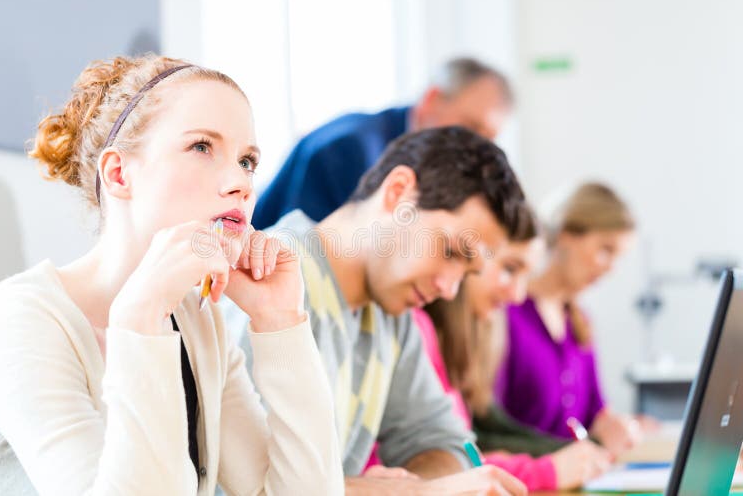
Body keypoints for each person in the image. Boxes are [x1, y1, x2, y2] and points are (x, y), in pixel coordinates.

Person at [0, 55, 343, 495]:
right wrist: (141, 316)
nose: (241, 183)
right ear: (118, 174)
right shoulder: (17, 321)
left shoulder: (197, 322)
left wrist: (280, 320)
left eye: (247, 161)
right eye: (202, 147)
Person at [226, 126, 529, 494]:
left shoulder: (392, 314)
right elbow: (245, 484)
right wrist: (406, 492)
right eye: (450, 251)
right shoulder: (266, 275)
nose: (448, 290)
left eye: (465, 275)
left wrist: (413, 485)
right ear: (398, 192)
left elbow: (447, 442)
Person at [420, 205, 613, 491]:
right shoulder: (422, 334)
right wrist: (549, 467)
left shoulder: (470, 339)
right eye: (509, 269)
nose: (518, 295)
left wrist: (578, 452)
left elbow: (479, 430)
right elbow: (456, 458)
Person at [252, 57, 514, 228]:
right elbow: (304, 256)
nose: (473, 147)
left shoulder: (423, 163)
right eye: (469, 128)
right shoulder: (351, 150)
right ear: (432, 99)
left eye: (485, 140)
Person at [495, 182, 641, 457]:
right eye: (605, 250)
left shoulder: (580, 323)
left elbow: (595, 414)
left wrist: (617, 427)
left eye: (616, 257)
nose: (610, 268)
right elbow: (491, 427)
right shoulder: (507, 314)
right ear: (565, 235)